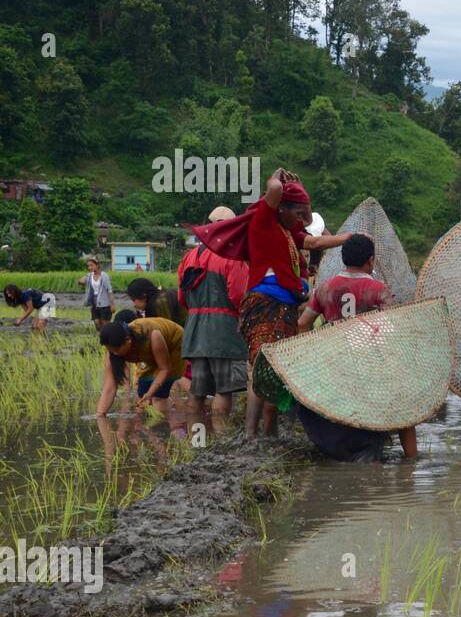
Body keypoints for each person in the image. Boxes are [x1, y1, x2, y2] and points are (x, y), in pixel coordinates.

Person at [187, 168, 347, 437]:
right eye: (295, 212)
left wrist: (348, 237)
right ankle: (251, 433)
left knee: (275, 368)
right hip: (264, 304)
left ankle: (268, 432)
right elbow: (273, 189)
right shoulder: (263, 221)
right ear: (281, 207)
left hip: (282, 306)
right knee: (260, 367)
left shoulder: (288, 232)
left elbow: (315, 238)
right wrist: (277, 178)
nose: (301, 218)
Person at [293, 233, 413, 461]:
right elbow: (392, 329)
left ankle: (346, 454)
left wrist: (310, 352)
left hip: (337, 362)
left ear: (344, 259)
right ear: (370, 261)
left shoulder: (325, 289)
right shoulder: (378, 289)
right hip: (370, 363)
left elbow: (303, 323)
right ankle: (411, 464)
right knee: (405, 411)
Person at [178, 206, 249, 420]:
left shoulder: (189, 257)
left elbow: (182, 299)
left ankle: (196, 439)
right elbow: (239, 297)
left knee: (197, 391)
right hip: (224, 333)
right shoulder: (232, 258)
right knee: (223, 390)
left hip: (195, 332)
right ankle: (221, 438)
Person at [95, 316, 185, 416]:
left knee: (158, 397)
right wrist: (100, 414)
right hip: (151, 354)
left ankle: (174, 420)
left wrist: (150, 393)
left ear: (128, 340)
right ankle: (173, 409)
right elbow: (109, 387)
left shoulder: (152, 335)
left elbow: (164, 369)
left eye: (116, 350)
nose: (114, 353)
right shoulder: (112, 351)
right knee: (142, 395)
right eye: (110, 350)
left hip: (175, 345)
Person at [80, 258, 114, 330]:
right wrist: (80, 281)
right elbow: (81, 281)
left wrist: (112, 304)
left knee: (105, 325)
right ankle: (100, 336)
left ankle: (106, 338)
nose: (89, 268)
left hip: (105, 303)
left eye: (91, 265)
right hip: (94, 303)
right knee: (97, 322)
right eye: (88, 266)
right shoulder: (89, 276)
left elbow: (109, 290)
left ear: (97, 265)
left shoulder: (104, 276)